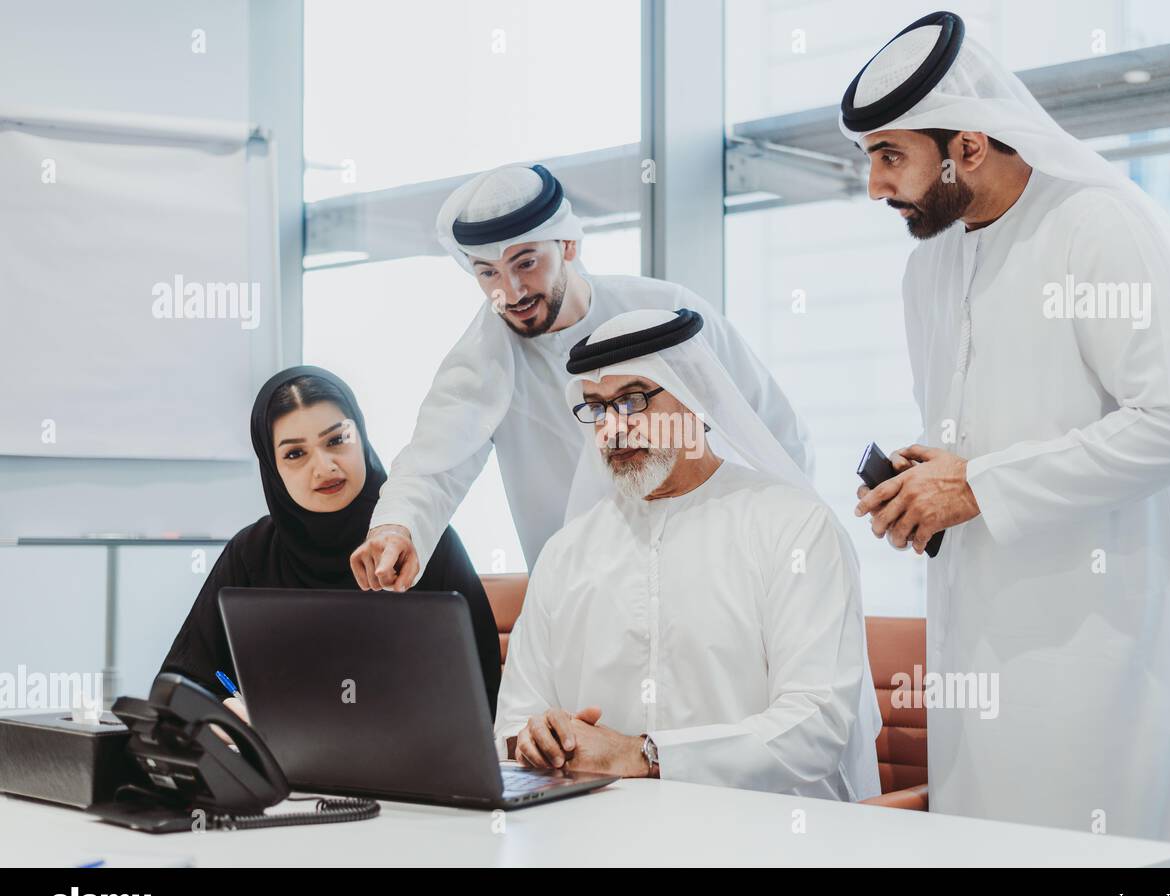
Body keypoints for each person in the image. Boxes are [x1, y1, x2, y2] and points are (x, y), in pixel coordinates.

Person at [839, 11, 1170, 864]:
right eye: (871, 161)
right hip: (985, 634)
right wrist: (929, 480)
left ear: (966, 144)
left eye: (892, 157)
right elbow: (986, 435)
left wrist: (980, 484)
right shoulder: (930, 266)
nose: (877, 186)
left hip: (1114, 642)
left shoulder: (1098, 225)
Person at [350, 162, 812, 591]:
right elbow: (432, 465)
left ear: (567, 245)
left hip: (712, 575)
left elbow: (769, 427)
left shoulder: (665, 308)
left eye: (525, 263)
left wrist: (787, 545)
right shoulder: (483, 355)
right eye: (488, 272)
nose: (509, 292)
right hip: (584, 596)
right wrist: (396, 526)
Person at [493, 308, 881, 801]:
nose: (612, 428)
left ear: (695, 397)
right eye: (596, 408)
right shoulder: (566, 552)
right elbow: (513, 723)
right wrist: (537, 741)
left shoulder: (792, 526)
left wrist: (643, 756)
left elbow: (817, 724)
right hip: (597, 837)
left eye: (632, 400)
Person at [160, 366, 502, 719]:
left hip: (416, 769)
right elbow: (185, 682)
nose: (324, 468)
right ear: (272, 469)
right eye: (295, 454)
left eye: (337, 440)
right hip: (280, 771)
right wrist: (223, 706)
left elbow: (486, 691)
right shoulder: (252, 553)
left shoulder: (418, 540)